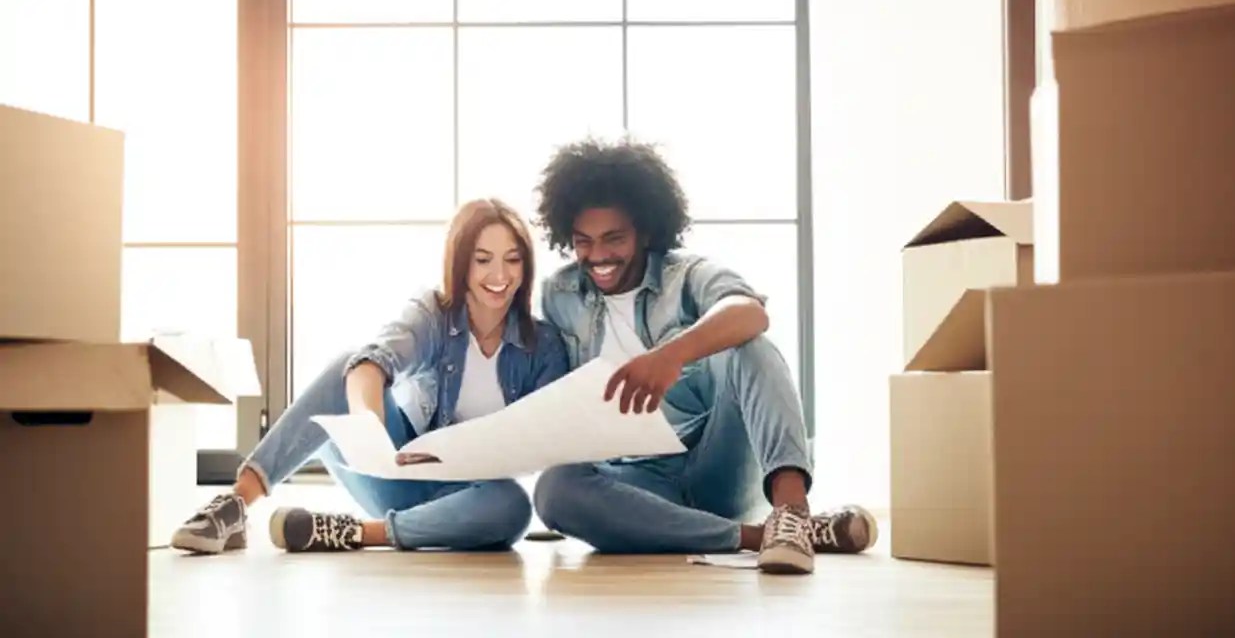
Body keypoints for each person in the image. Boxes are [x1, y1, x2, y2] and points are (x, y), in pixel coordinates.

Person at [529, 137, 876, 575]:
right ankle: (764, 537)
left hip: (717, 463)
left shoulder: (687, 275)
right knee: (555, 491)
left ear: (646, 231)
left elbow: (749, 312)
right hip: (638, 482)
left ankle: (791, 513)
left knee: (747, 343)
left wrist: (670, 355)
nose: (598, 256)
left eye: (614, 239)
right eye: (584, 241)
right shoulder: (560, 295)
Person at [171, 198, 568, 554]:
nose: (499, 274)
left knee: (513, 508)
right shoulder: (433, 313)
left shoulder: (543, 345)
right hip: (399, 474)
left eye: (512, 259)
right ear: (461, 262)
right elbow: (371, 363)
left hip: (467, 497)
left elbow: (549, 436)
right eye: (483, 259)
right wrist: (370, 425)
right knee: (347, 363)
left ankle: (352, 532)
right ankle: (235, 504)